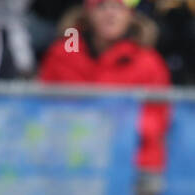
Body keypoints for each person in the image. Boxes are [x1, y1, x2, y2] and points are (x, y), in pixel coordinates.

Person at [37, 0, 172, 174]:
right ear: (88, 12)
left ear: (130, 14)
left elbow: (157, 120)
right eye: (102, 6)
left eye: (118, 7)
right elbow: (44, 110)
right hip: (70, 166)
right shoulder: (61, 55)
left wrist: (109, 125)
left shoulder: (149, 63)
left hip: (130, 168)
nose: (110, 13)